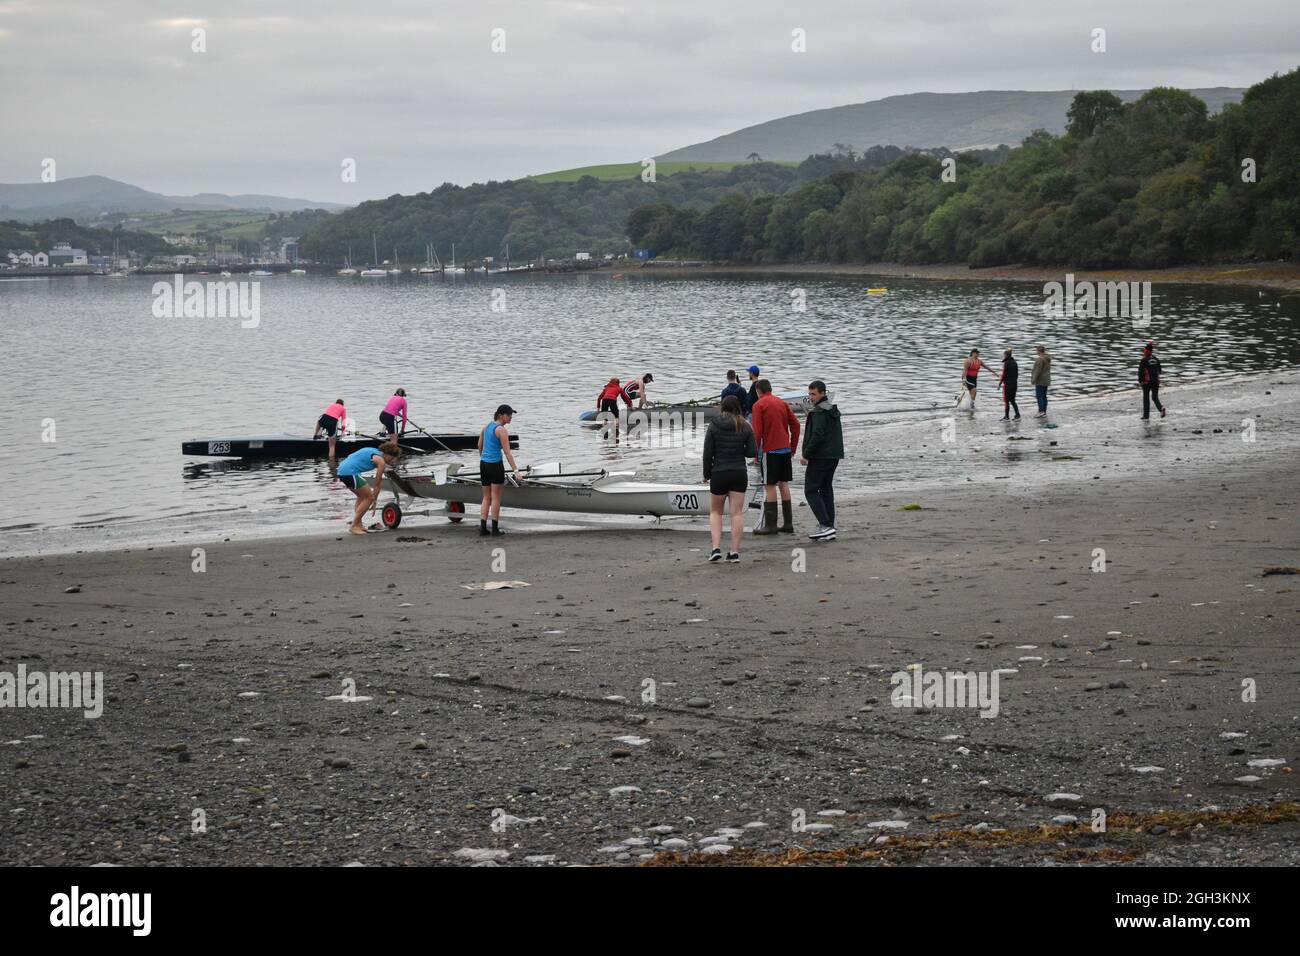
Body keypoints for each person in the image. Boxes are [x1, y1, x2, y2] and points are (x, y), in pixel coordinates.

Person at [702, 394, 757, 562]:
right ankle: (734, 552)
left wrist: (706, 474)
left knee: (716, 512)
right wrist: (740, 448)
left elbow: (707, 452)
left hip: (719, 473)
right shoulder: (745, 425)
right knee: (736, 514)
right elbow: (752, 452)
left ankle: (716, 548)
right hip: (739, 473)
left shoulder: (714, 425)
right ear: (738, 408)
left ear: (722, 407)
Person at [750, 379, 800, 535]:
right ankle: (788, 524)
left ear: (758, 391)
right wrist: (793, 447)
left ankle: (771, 525)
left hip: (770, 450)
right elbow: (796, 425)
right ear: (770, 389)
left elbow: (757, 432)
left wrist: (755, 453)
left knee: (769, 485)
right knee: (784, 483)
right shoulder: (782, 403)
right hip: (785, 449)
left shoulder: (758, 405)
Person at [800, 380, 843, 540]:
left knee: (810, 490)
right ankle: (829, 527)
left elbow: (817, 435)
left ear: (823, 393)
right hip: (833, 455)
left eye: (813, 394)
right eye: (809, 394)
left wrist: (806, 454)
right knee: (825, 490)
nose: (811, 397)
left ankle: (825, 524)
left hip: (820, 456)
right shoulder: (831, 409)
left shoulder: (819, 412)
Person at [336, 440, 401, 536]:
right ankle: (354, 526)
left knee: (362, 497)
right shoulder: (381, 461)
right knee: (369, 497)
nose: (392, 460)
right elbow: (377, 484)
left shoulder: (374, 451)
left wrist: (374, 499)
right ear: (387, 454)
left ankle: (359, 524)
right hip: (350, 472)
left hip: (341, 471)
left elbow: (352, 456)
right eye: (392, 458)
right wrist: (374, 500)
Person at [478, 404, 522, 536]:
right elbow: (507, 453)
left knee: (486, 497)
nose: (510, 417)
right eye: (508, 415)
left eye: (511, 415)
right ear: (501, 415)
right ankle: (495, 530)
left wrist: (483, 457)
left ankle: (483, 529)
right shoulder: (501, 431)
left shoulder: (487, 426)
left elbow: (479, 445)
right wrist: (516, 472)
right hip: (495, 466)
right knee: (496, 497)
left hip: (483, 464)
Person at [1139, 341, 1167, 419]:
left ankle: (1146, 416)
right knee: (1155, 397)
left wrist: (1140, 381)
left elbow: (1140, 372)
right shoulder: (1156, 359)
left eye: (1144, 350)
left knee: (1146, 398)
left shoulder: (1144, 360)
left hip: (1147, 382)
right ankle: (1161, 409)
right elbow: (1160, 370)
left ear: (1146, 351)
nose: (1143, 352)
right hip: (1156, 381)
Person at [998, 350, 1020, 420]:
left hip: (1007, 385)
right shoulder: (1015, 362)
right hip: (1014, 384)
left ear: (1006, 355)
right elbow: (1017, 374)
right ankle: (1017, 415)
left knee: (1006, 400)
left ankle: (1006, 417)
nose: (1003, 356)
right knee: (1012, 400)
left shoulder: (1006, 363)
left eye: (1004, 355)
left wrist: (1000, 383)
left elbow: (1004, 374)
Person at [1031, 346, 1051, 417]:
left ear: (1039, 351)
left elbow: (1037, 371)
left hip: (1040, 380)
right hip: (1046, 380)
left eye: (1036, 351)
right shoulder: (1047, 358)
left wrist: (1033, 379)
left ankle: (1041, 411)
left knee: (1039, 396)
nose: (1036, 352)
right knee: (1044, 396)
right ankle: (1044, 411)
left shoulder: (1040, 359)